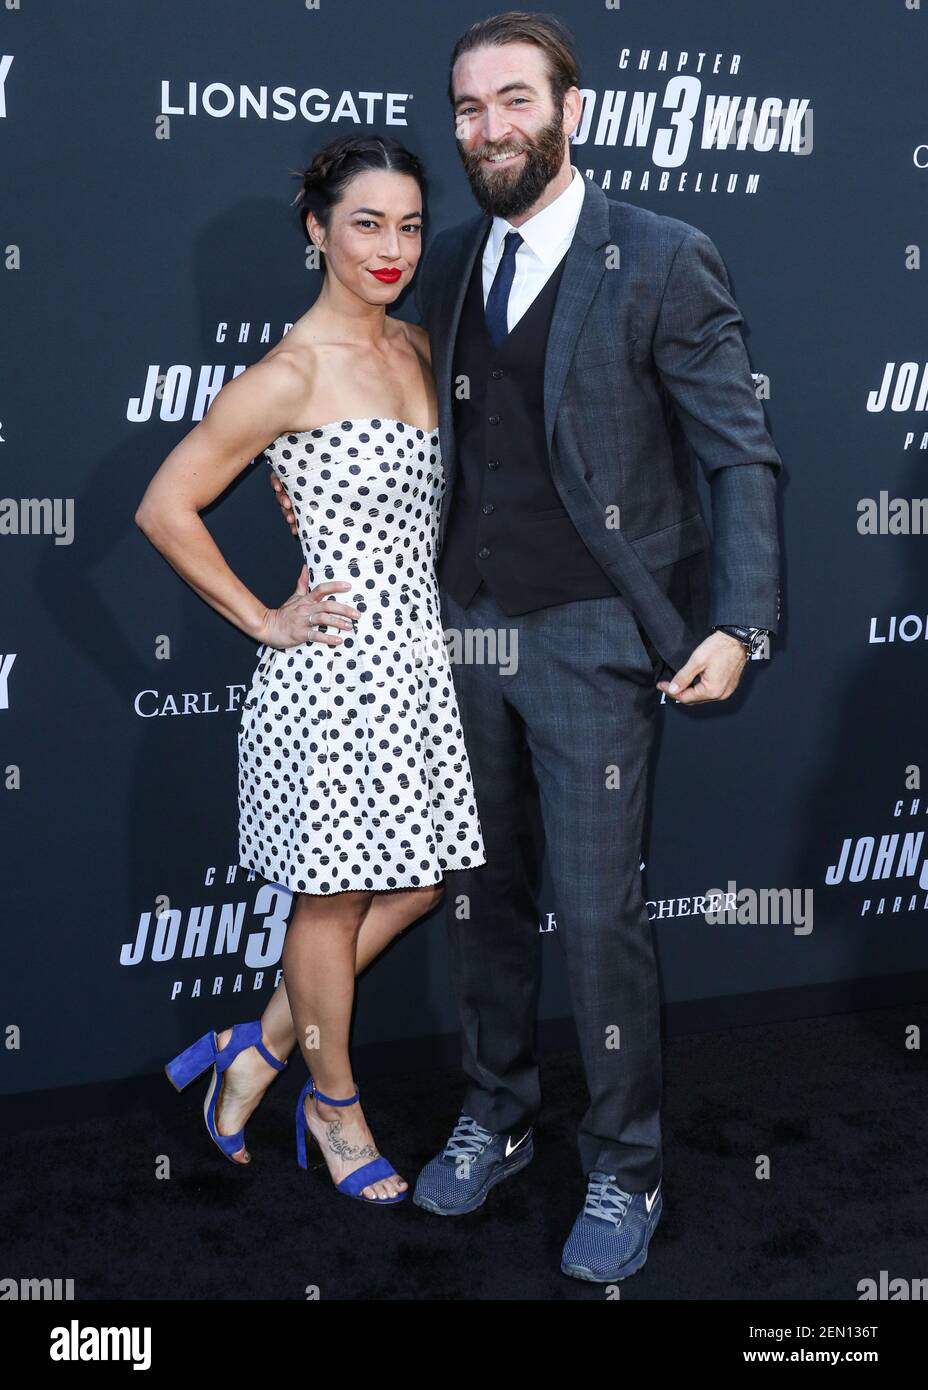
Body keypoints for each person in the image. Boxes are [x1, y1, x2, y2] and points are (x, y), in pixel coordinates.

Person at [274, 11, 783, 1282]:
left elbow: (739, 449)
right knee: (481, 901)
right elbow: (356, 396)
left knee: (600, 913)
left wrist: (740, 619)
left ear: (571, 110)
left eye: (511, 101)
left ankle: (624, 1167)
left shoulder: (662, 257)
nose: (486, 128)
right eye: (465, 108)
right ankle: (494, 1116)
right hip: (454, 633)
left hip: (599, 636)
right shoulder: (438, 261)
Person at [135, 133, 486, 1205]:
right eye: (366, 224)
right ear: (317, 233)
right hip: (330, 677)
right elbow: (163, 505)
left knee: (419, 882)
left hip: (416, 664)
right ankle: (333, 1108)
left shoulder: (422, 348)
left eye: (410, 225)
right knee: (329, 905)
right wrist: (262, 619)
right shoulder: (287, 373)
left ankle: (254, 1044)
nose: (391, 247)